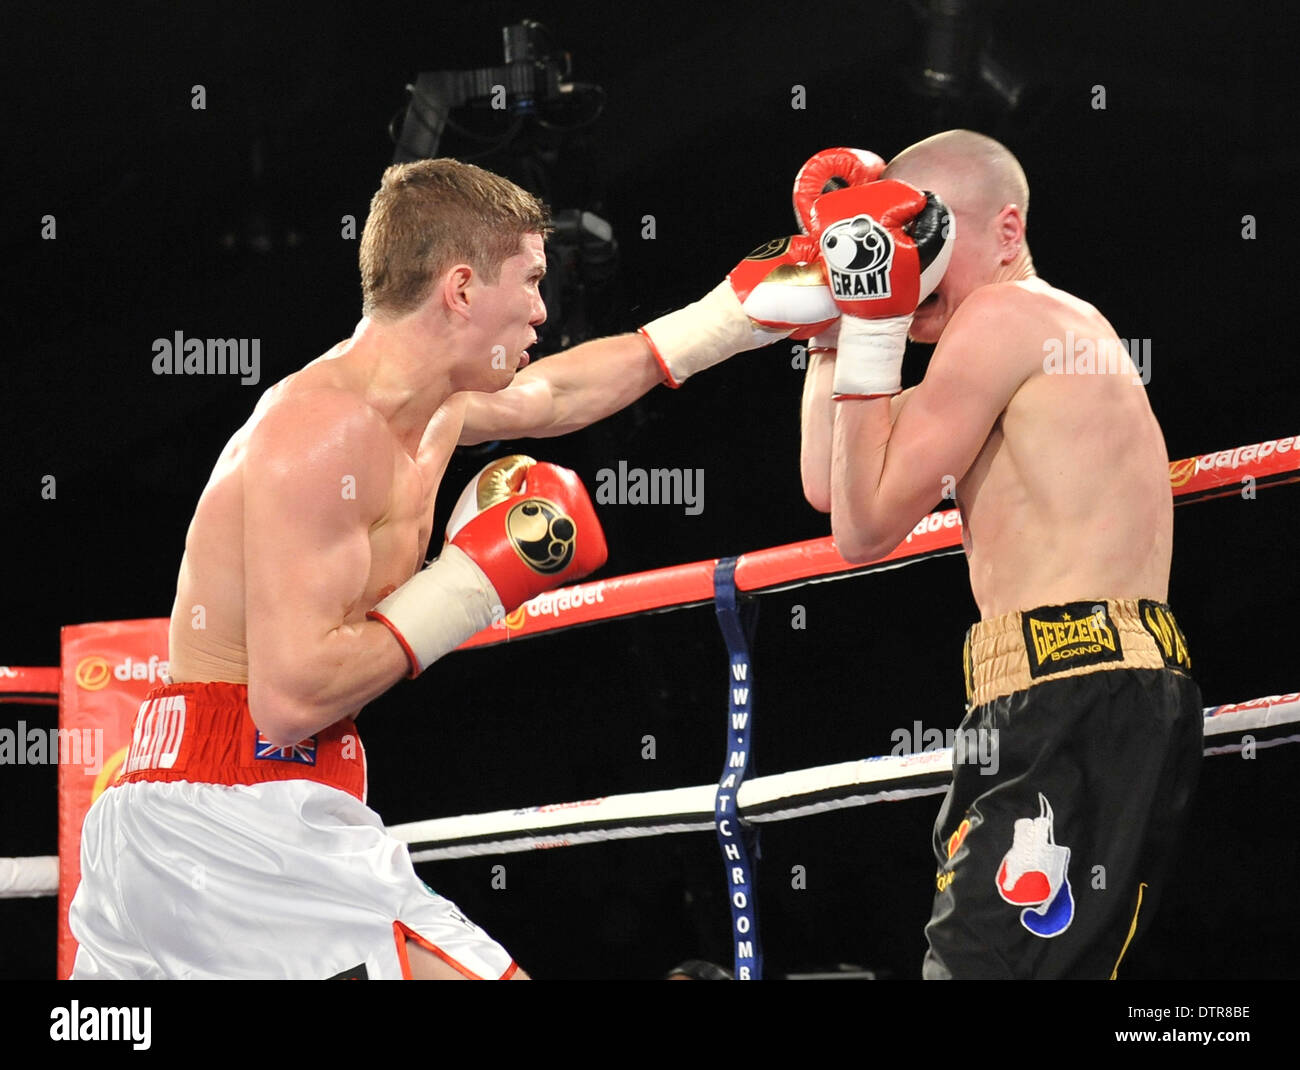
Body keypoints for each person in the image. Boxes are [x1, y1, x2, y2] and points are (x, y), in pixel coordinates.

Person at [68, 157, 837, 980]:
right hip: (234, 824)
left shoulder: (432, 410)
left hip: (205, 814)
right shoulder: (325, 431)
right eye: (533, 281)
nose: (545, 311)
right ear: (462, 289)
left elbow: (557, 396)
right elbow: (290, 702)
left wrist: (731, 316)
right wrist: (474, 582)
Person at [798, 131, 1201, 978]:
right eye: (896, 245)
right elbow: (834, 485)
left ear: (1007, 231)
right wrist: (835, 322)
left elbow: (862, 533)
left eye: (923, 238)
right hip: (1085, 692)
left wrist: (870, 324)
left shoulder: (1004, 319)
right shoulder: (1027, 332)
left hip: (1073, 692)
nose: (912, 267)